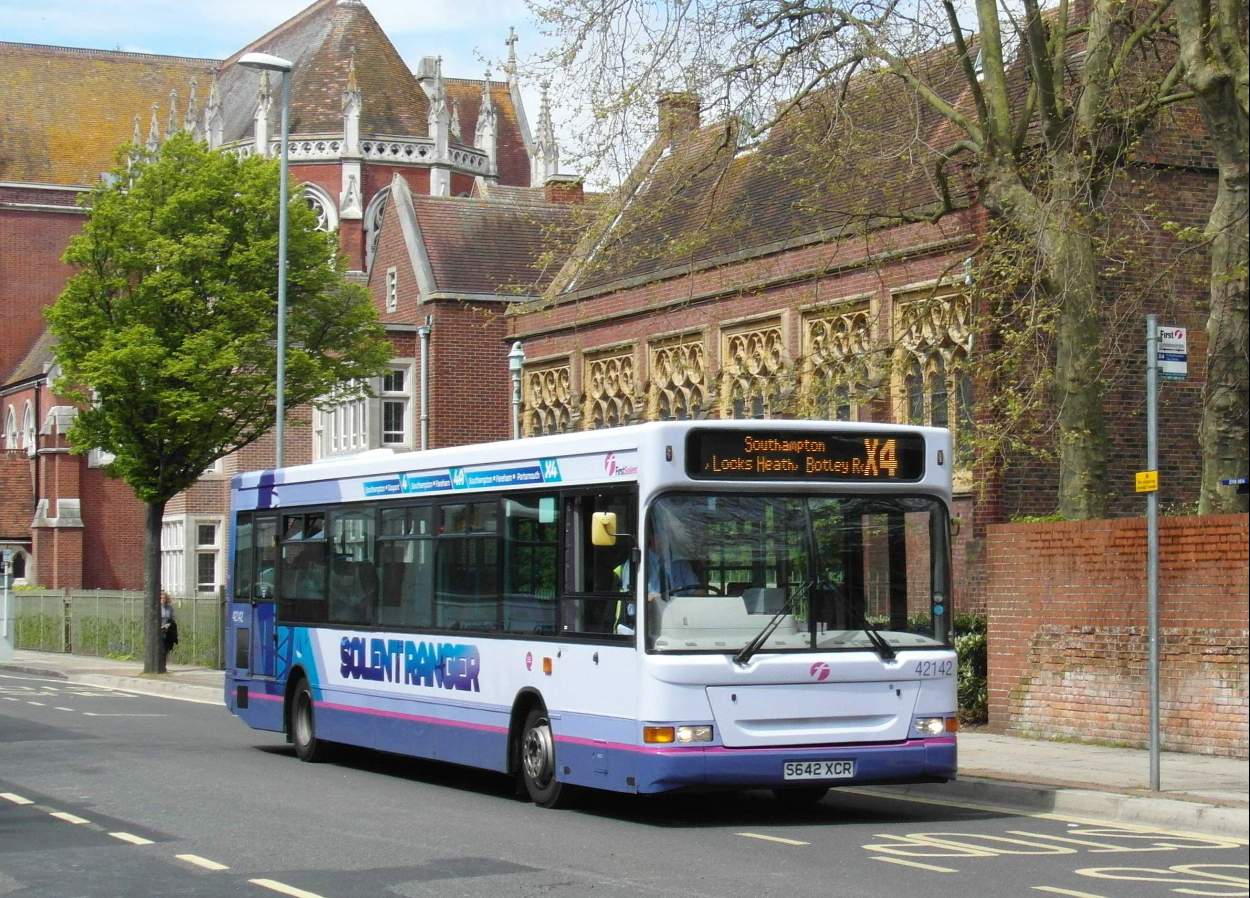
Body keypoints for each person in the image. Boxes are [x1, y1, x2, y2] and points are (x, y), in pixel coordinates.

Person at [160, 591, 179, 657]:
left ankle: (164, 661)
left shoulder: (170, 608)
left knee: (167, 647)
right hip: (159, 629)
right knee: (161, 647)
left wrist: (168, 625)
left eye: (164, 598)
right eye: (161, 598)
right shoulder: (157, 608)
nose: (163, 600)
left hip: (167, 629)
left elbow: (172, 618)